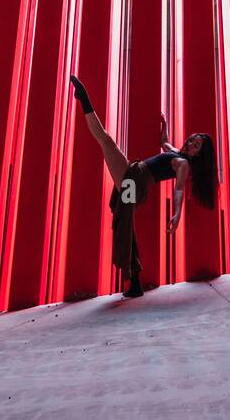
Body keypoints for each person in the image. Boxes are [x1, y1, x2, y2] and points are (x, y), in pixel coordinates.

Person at [69, 75, 217, 299]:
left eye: (196, 145)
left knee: (106, 141)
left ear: (198, 154)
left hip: (136, 181)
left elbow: (178, 190)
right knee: (126, 224)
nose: (190, 143)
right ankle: (135, 283)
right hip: (134, 178)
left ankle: (84, 98)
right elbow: (164, 142)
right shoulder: (177, 154)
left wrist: (177, 214)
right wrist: (165, 125)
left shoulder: (183, 164)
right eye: (192, 139)